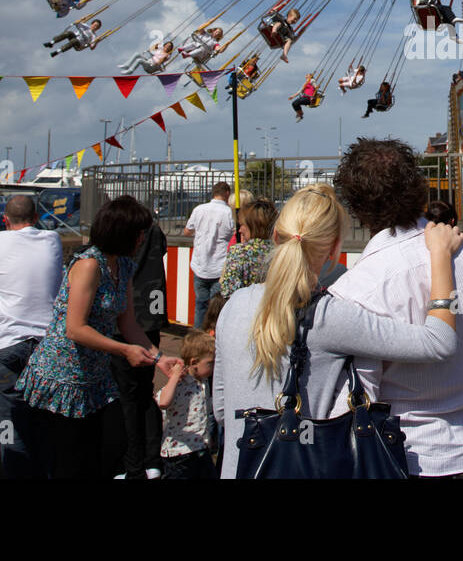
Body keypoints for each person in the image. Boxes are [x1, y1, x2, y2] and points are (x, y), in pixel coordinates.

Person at [213, 183, 463, 478]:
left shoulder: (232, 306)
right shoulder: (327, 316)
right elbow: (439, 341)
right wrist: (440, 256)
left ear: (274, 236)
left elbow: (221, 409)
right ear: (335, 247)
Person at [330, 139, 463, 478]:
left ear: (356, 207)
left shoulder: (355, 287)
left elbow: (362, 392)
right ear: (419, 191)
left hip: (404, 450)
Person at [17, 197, 182, 479]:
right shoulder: (89, 264)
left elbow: (128, 323)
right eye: (139, 233)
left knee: (103, 451)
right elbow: (75, 328)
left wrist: (159, 358)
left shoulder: (125, 266)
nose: (143, 238)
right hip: (63, 376)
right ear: (120, 232)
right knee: (70, 461)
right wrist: (123, 350)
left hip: (94, 377)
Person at [0, 194, 64, 479]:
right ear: (36, 218)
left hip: (10, 343)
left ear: (5, 220)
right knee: (46, 421)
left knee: (10, 422)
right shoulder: (52, 240)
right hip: (48, 344)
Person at [110, 217, 169, 479]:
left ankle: (132, 463)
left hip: (128, 317)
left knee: (128, 397)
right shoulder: (154, 232)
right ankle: (151, 460)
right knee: (145, 392)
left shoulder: (123, 245)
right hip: (149, 315)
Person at [156, 331, 216, 479]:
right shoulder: (179, 383)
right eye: (210, 363)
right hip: (179, 454)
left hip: (200, 448)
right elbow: (163, 402)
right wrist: (175, 375)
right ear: (194, 362)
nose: (214, 367)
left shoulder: (202, 382)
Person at [184, 183, 235, 328]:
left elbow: (187, 231)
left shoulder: (199, 209)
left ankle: (198, 336)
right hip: (219, 266)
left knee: (200, 306)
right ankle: (214, 337)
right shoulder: (228, 213)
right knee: (217, 308)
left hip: (200, 264)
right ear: (226, 193)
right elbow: (234, 235)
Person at [219, 198, 278, 299]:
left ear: (254, 225)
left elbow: (228, 291)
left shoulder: (239, 252)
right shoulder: (281, 251)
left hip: (244, 310)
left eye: (242, 225)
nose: (240, 230)